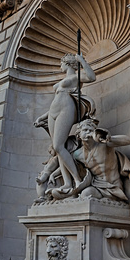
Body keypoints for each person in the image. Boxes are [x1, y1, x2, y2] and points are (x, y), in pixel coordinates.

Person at [34, 53, 96, 195]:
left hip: (66, 109)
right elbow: (55, 102)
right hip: (52, 113)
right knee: (58, 149)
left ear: (67, 63)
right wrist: (42, 117)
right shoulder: (65, 80)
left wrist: (82, 60)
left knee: (58, 146)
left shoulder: (76, 77)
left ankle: (77, 179)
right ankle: (67, 182)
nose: (60, 66)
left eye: (61, 63)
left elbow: (92, 77)